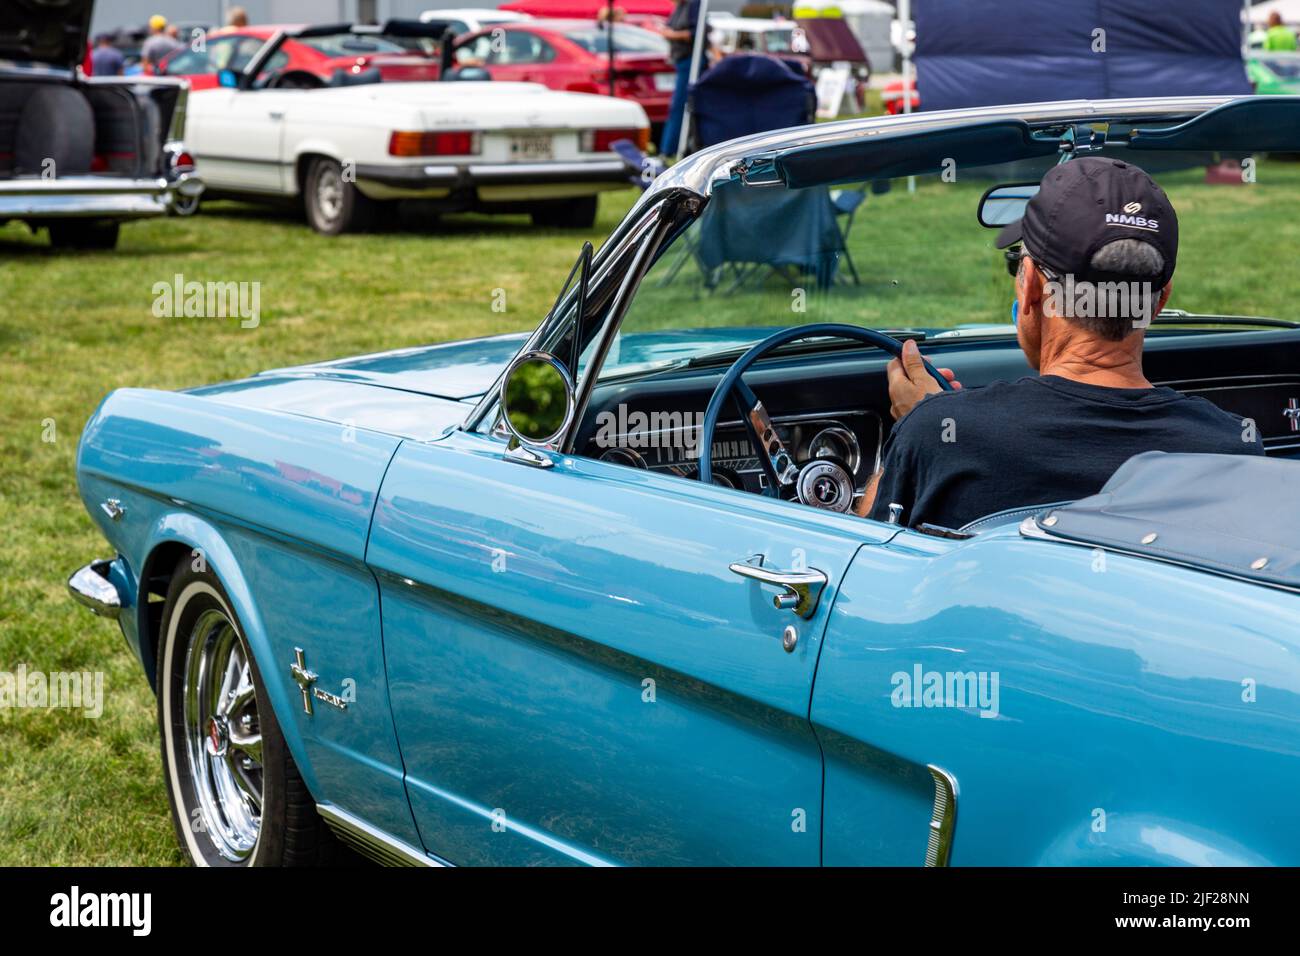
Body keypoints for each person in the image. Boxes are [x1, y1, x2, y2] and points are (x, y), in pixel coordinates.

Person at [857, 157, 1262, 531]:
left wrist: (918, 423)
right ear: (1160, 300)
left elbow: (867, 558)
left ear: (1030, 285)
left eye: (1017, 263)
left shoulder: (939, 436)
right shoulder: (1231, 450)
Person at [659, 0, 701, 158]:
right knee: (678, 107)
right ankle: (671, 148)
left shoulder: (693, 5)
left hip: (691, 61)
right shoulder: (680, 7)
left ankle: (669, 150)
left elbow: (697, 32)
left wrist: (671, 34)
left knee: (679, 107)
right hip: (681, 61)